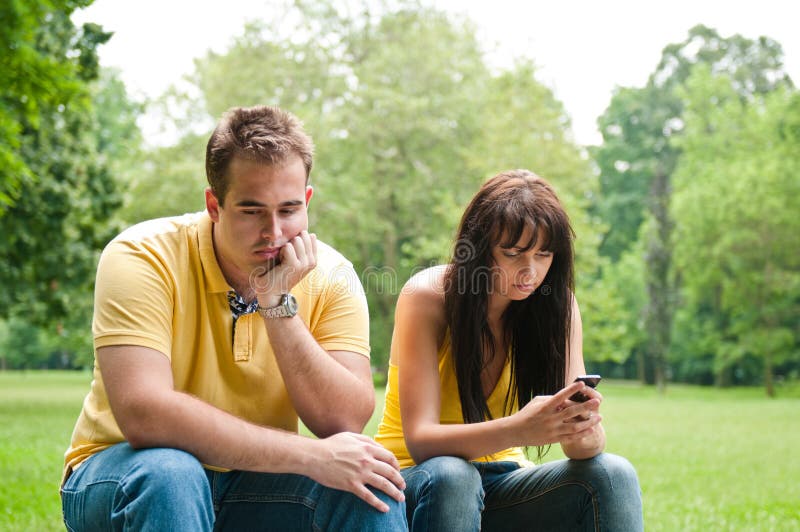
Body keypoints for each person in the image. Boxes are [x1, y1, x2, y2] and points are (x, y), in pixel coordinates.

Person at [61, 105, 407, 531]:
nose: (273, 232)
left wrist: (277, 303)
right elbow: (144, 414)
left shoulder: (332, 275)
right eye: (251, 210)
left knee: (368, 484)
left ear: (307, 201)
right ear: (214, 204)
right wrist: (309, 456)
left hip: (253, 480)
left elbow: (343, 420)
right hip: (125, 474)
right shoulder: (142, 256)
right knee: (172, 473)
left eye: (288, 210)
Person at [375, 169, 643, 531]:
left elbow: (579, 451)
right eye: (513, 253)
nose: (530, 271)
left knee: (614, 473)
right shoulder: (428, 297)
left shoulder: (558, 307)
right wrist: (519, 429)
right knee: (455, 475)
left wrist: (584, 429)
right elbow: (421, 441)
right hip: (416, 481)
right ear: (478, 248)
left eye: (544, 254)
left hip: (503, 482)